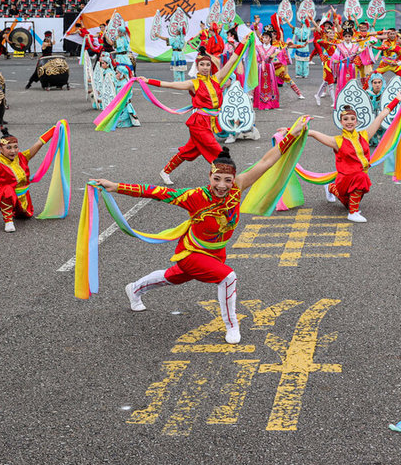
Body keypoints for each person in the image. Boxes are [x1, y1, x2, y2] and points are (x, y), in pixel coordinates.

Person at [95, 130, 305, 344]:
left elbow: (266, 161)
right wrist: (117, 186)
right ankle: (232, 326)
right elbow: (155, 192)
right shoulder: (194, 197)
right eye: (217, 179)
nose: (222, 185)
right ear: (209, 177)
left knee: (174, 277)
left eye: (227, 180)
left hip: (216, 252)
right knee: (227, 277)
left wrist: (292, 135)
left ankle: (135, 288)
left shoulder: (238, 188)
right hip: (191, 252)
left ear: (234, 178)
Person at [139, 42, 248, 185]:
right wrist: (148, 81)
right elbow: (170, 84)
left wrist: (243, 43)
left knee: (189, 151)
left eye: (207, 65)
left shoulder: (217, 78)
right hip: (198, 124)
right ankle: (227, 179)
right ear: (197, 66)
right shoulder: (193, 84)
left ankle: (165, 171)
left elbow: (233, 59)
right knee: (217, 151)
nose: (205, 68)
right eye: (202, 65)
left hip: (210, 123)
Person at [306, 100, 399, 223]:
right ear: (341, 122)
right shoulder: (337, 141)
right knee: (360, 178)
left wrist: (397, 100)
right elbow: (312, 133)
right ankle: (353, 213)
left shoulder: (364, 135)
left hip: (356, 180)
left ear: (356, 121)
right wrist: (290, 131)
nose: (349, 122)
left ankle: (329, 187)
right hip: (346, 179)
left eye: (352, 119)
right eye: (345, 119)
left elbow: (381, 116)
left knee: (348, 201)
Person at [0, 127, 53, 233]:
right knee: (6, 189)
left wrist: (55, 129)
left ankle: (22, 210)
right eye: (9, 147)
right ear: (0, 149)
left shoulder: (22, 157)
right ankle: (8, 221)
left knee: (26, 215)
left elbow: (39, 143)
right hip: (10, 199)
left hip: (25, 202)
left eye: (15, 147)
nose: (13, 151)